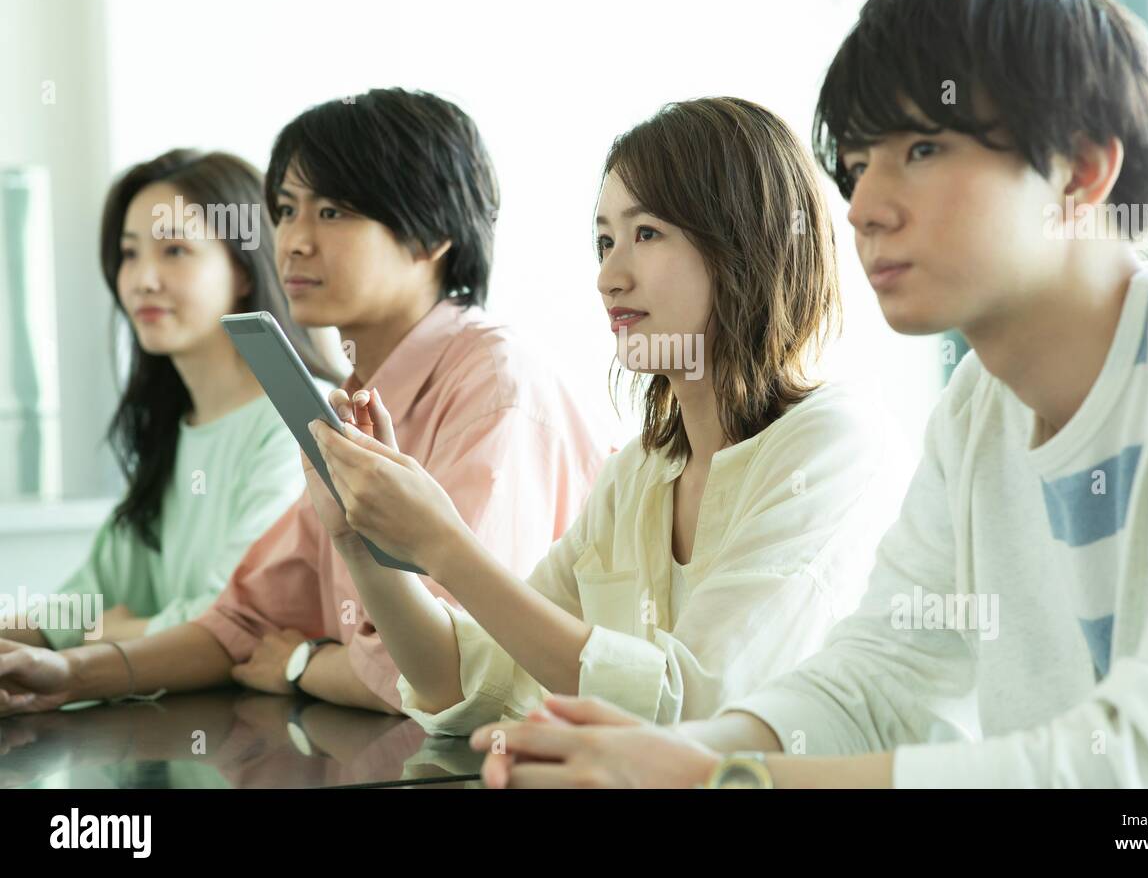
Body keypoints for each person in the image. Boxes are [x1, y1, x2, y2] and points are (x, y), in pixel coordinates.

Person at [465, 0, 1148, 788]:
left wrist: (715, 780)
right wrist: (674, 753)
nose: (863, 207)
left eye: (922, 150)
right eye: (859, 165)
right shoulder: (981, 405)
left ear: (1080, 173)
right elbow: (877, 680)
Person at [305, 96, 905, 732]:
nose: (608, 277)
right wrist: (362, 542)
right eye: (603, 241)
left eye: (646, 234)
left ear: (746, 244)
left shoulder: (834, 446)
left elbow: (692, 705)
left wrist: (442, 543)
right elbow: (461, 679)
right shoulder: (639, 475)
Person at [0, 89, 608, 715]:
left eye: (334, 212)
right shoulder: (354, 401)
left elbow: (455, 673)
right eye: (287, 209)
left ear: (432, 237)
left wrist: (302, 663)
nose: (291, 240)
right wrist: (69, 673)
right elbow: (243, 621)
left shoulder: (495, 389)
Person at [1, 149, 334, 649]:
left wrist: (114, 633)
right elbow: (86, 601)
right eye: (130, 253)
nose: (142, 280)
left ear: (244, 270)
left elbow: (234, 617)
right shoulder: (170, 425)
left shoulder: (295, 421)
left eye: (174, 250)